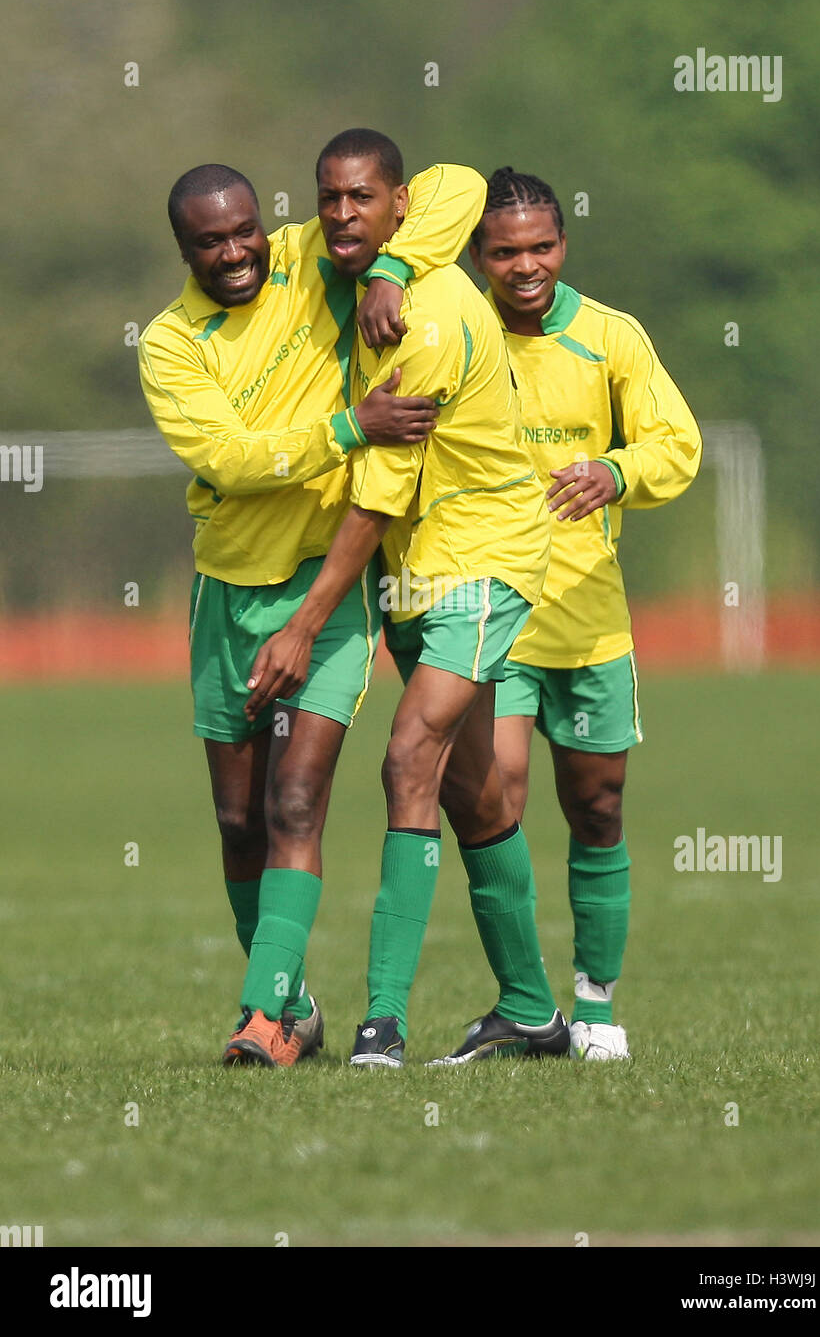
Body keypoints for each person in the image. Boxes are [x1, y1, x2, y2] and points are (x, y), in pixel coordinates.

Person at [139, 154, 487, 1065]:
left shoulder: (309, 258)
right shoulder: (173, 343)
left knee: (297, 802)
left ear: (267, 222)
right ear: (184, 249)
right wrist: (348, 428)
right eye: (210, 241)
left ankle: (261, 1017)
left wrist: (394, 267)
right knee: (239, 823)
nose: (236, 252)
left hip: (323, 592)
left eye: (244, 230)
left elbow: (458, 187)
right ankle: (291, 1001)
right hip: (226, 597)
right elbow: (231, 459)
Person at [244, 130, 570, 1068]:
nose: (342, 214)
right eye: (328, 198)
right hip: (416, 576)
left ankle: (381, 1024)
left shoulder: (420, 325)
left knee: (407, 760)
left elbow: (377, 496)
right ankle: (533, 1012)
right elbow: (458, 179)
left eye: (364, 199)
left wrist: (304, 625)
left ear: (398, 205)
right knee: (476, 794)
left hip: (482, 562)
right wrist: (385, 262)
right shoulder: (383, 270)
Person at [468, 167, 702, 1061]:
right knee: (502, 799)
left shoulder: (610, 338)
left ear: (563, 246)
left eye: (541, 247)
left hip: (591, 620)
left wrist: (615, 470)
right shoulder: (461, 338)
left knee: (597, 808)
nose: (525, 265)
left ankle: (596, 1007)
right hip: (494, 616)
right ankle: (529, 1006)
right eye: (505, 251)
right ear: (479, 256)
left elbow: (675, 442)